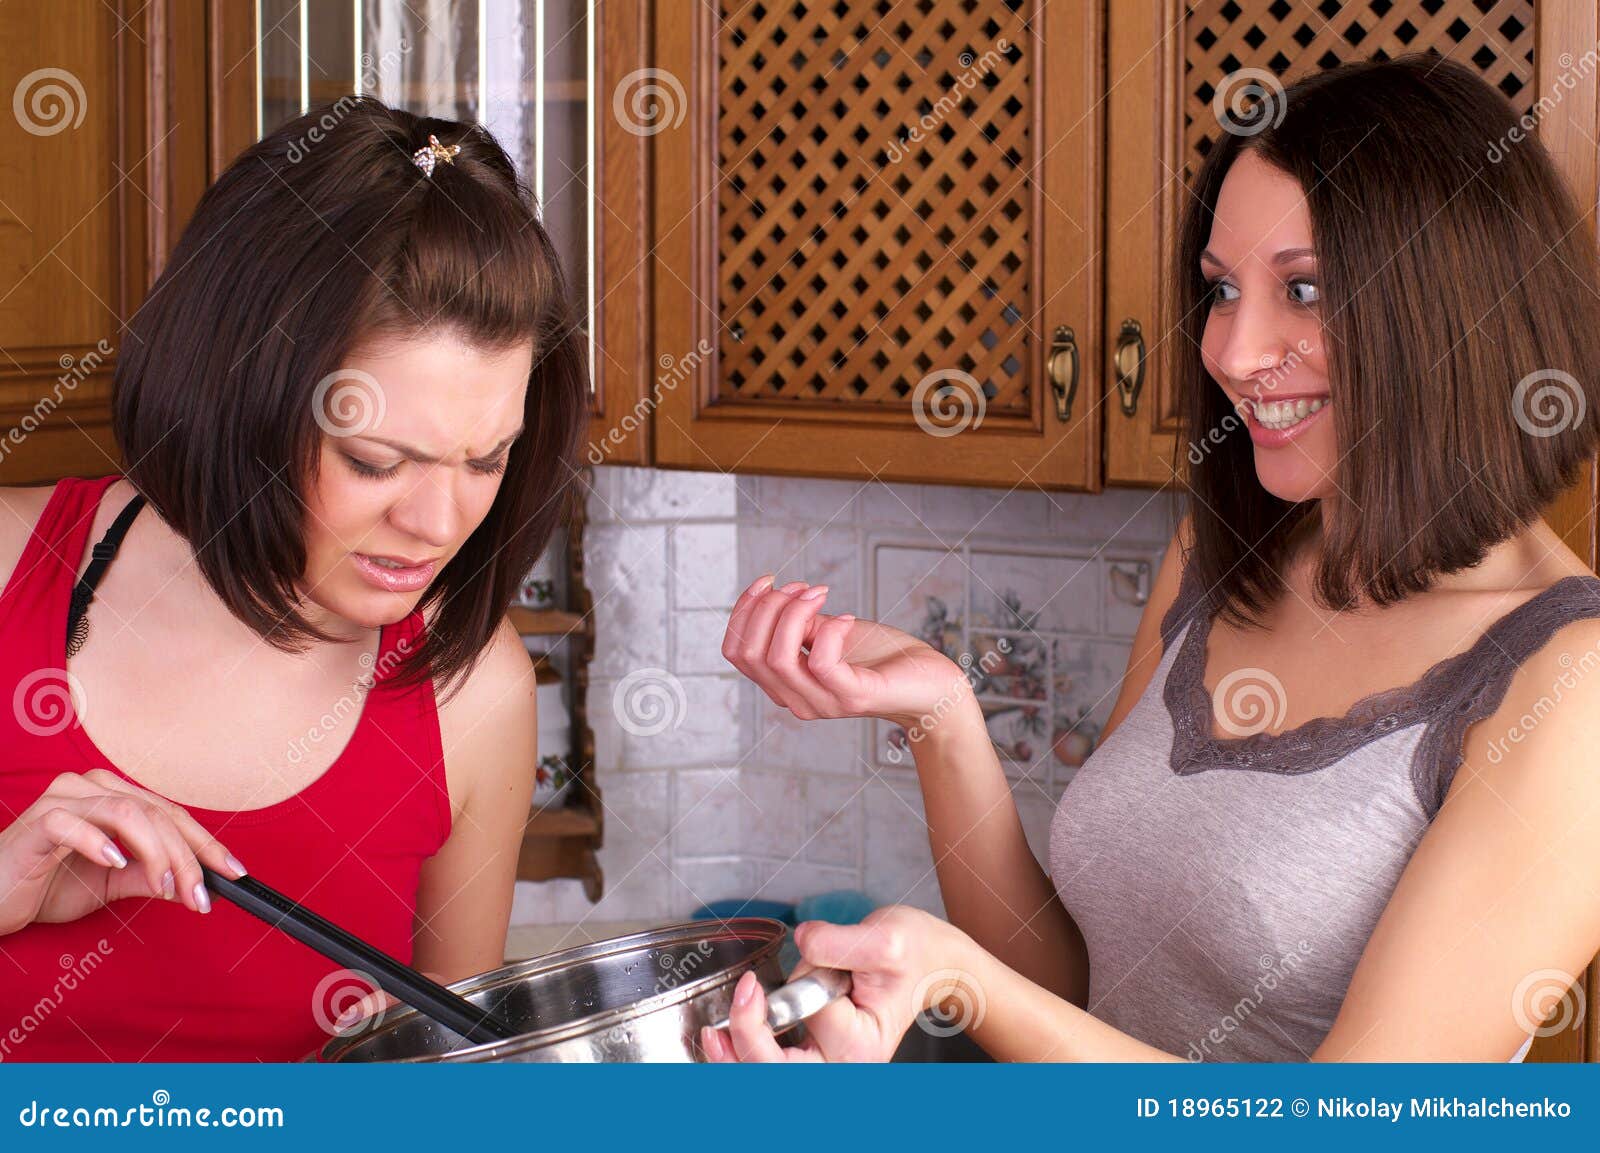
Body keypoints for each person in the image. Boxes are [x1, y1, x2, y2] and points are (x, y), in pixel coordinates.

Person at [707, 54, 1600, 1062]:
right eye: (1221, 289)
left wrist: (959, 973)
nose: (1230, 348)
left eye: (1302, 288)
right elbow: (1075, 1002)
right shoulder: (1221, 555)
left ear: (1447, 309)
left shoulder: (1567, 684)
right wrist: (941, 716)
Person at [0, 99, 587, 1060]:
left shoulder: (472, 689)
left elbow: (447, 1092)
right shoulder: (8, 571)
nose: (438, 526)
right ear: (235, 398)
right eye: (374, 460)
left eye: (487, 461)